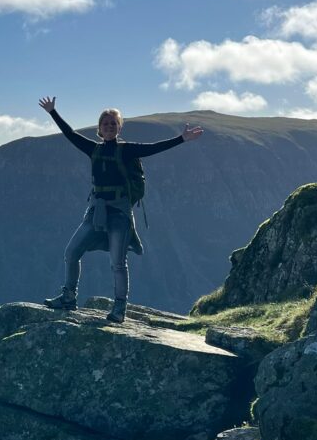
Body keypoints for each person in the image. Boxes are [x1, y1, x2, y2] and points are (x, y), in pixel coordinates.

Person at [39, 96, 203, 323]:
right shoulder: (93, 148)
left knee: (117, 263)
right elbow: (70, 134)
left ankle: (119, 308)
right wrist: (53, 112)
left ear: (119, 127)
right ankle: (69, 297)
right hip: (96, 210)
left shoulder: (127, 150)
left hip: (119, 213)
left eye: (113, 124)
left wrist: (182, 139)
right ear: (99, 129)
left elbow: (153, 148)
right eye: (105, 124)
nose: (109, 127)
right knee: (71, 252)